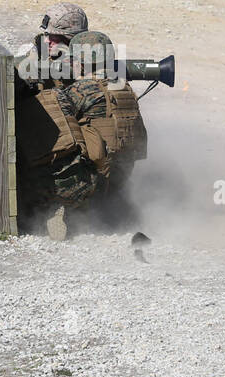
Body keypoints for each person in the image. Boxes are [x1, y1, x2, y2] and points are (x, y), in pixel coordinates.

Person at [15, 28, 146, 239]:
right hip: (119, 180)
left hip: (94, 182)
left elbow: (52, 116)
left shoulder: (82, 91)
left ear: (82, 62)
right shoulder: (126, 90)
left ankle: (36, 226)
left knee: (31, 164)